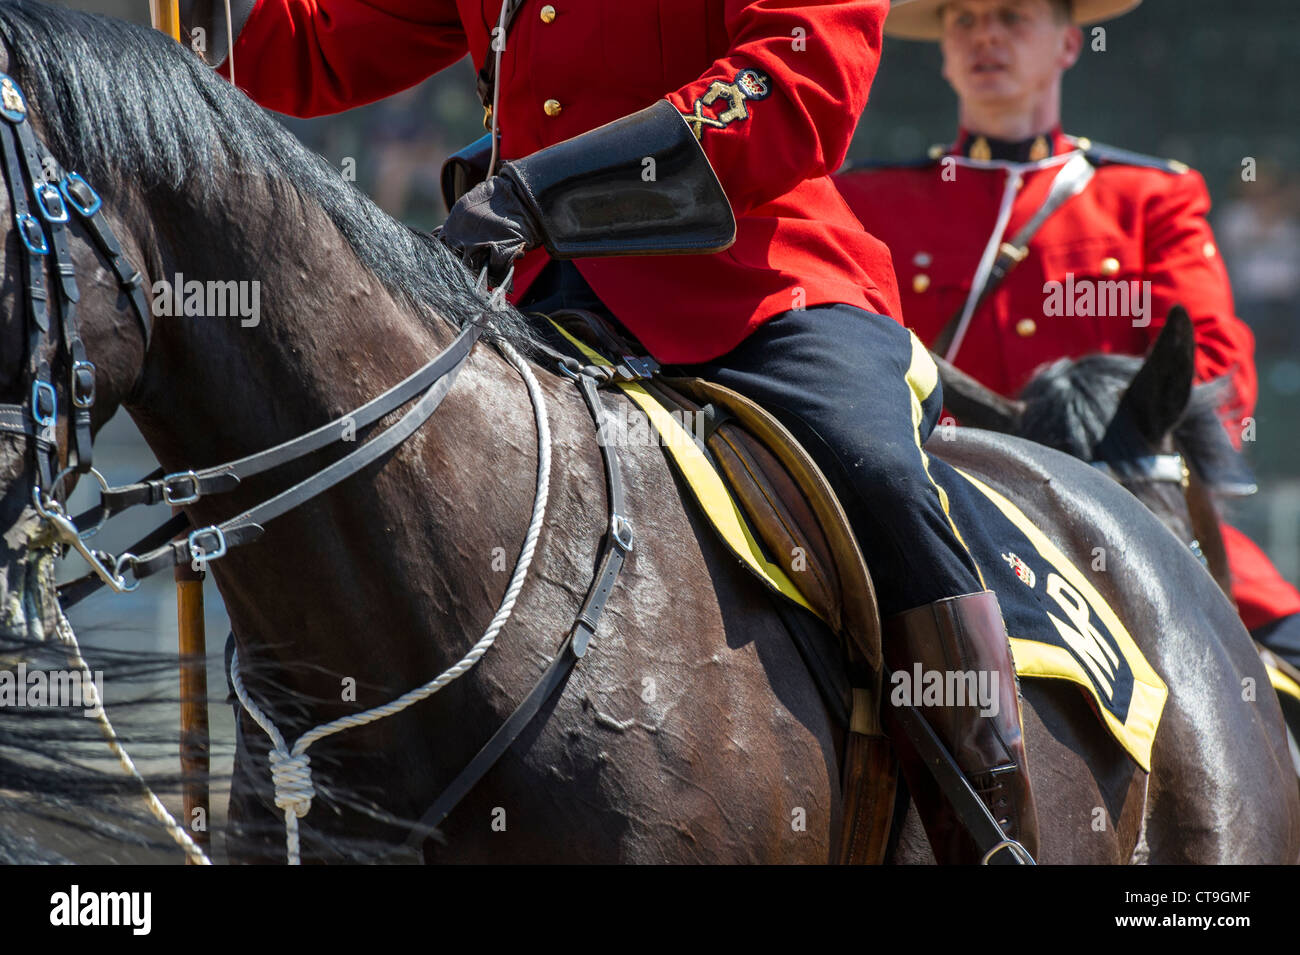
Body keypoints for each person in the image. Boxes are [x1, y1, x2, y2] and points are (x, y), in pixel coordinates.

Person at [180, 0, 1038, 863]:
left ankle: (993, 829)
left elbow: (798, 82)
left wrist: (544, 191)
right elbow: (302, 49)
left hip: (751, 287)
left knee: (879, 477)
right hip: (534, 298)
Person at [835, 0, 1300, 666]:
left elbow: (1214, 378)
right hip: (935, 517)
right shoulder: (871, 199)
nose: (985, 36)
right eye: (962, 21)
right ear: (942, 51)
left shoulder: (1147, 196)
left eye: (1012, 16)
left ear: (1070, 44)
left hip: (1120, 516)